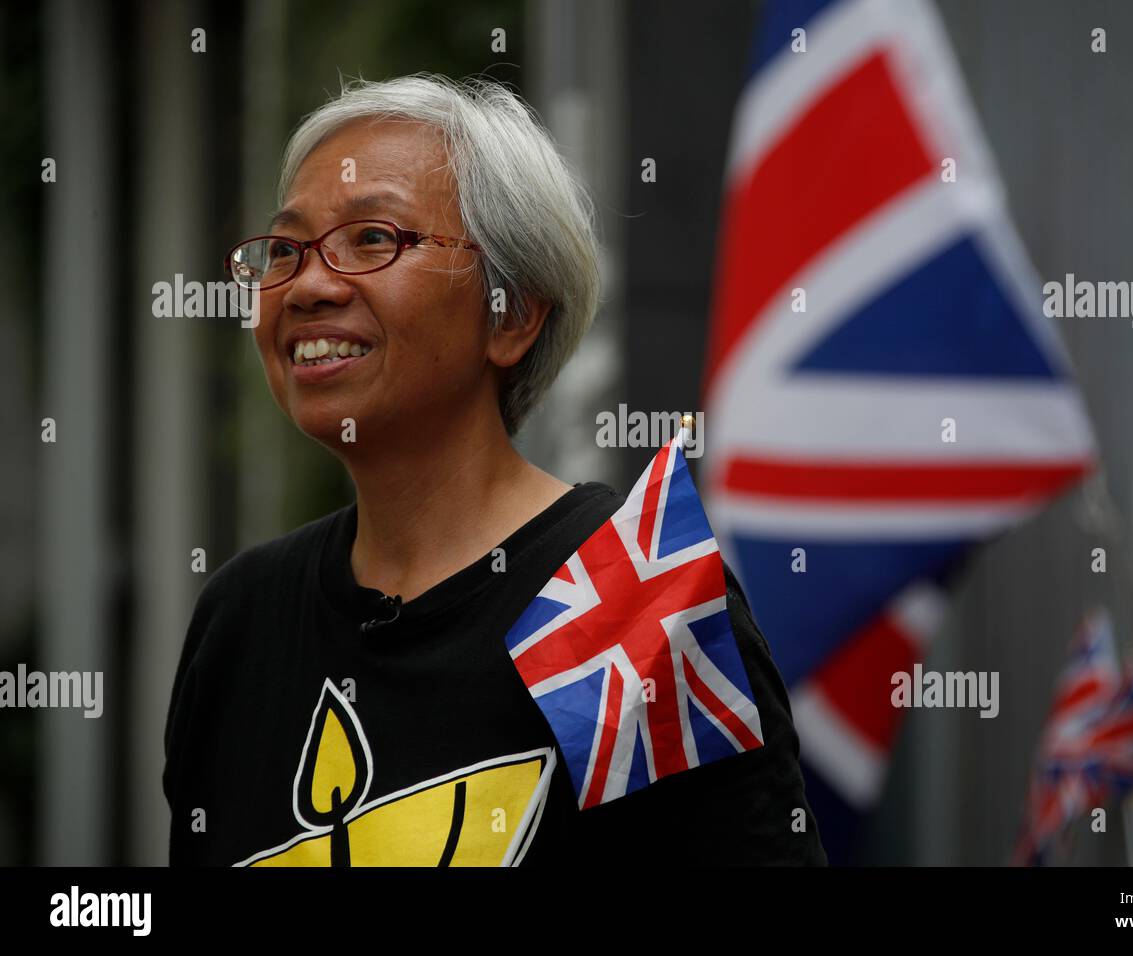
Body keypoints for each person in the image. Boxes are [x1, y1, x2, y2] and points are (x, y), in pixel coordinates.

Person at [163, 74, 827, 866]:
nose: (306, 285)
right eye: (285, 248)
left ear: (511, 314)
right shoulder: (242, 618)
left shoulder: (635, 607)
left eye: (372, 238)